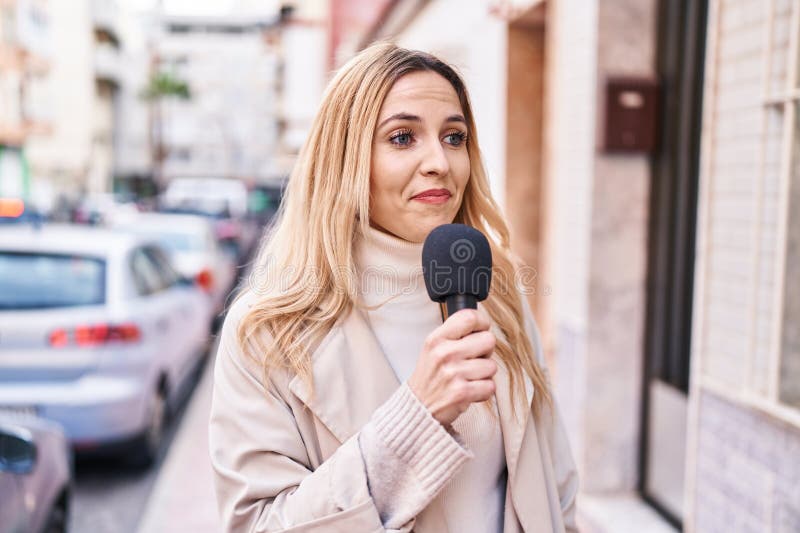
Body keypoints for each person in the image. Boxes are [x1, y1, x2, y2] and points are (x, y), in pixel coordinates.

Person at [209, 42, 579, 533]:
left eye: (454, 136)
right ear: (345, 160)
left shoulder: (500, 294)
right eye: (403, 137)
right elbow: (258, 524)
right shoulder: (266, 331)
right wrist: (416, 416)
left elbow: (557, 486)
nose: (439, 162)